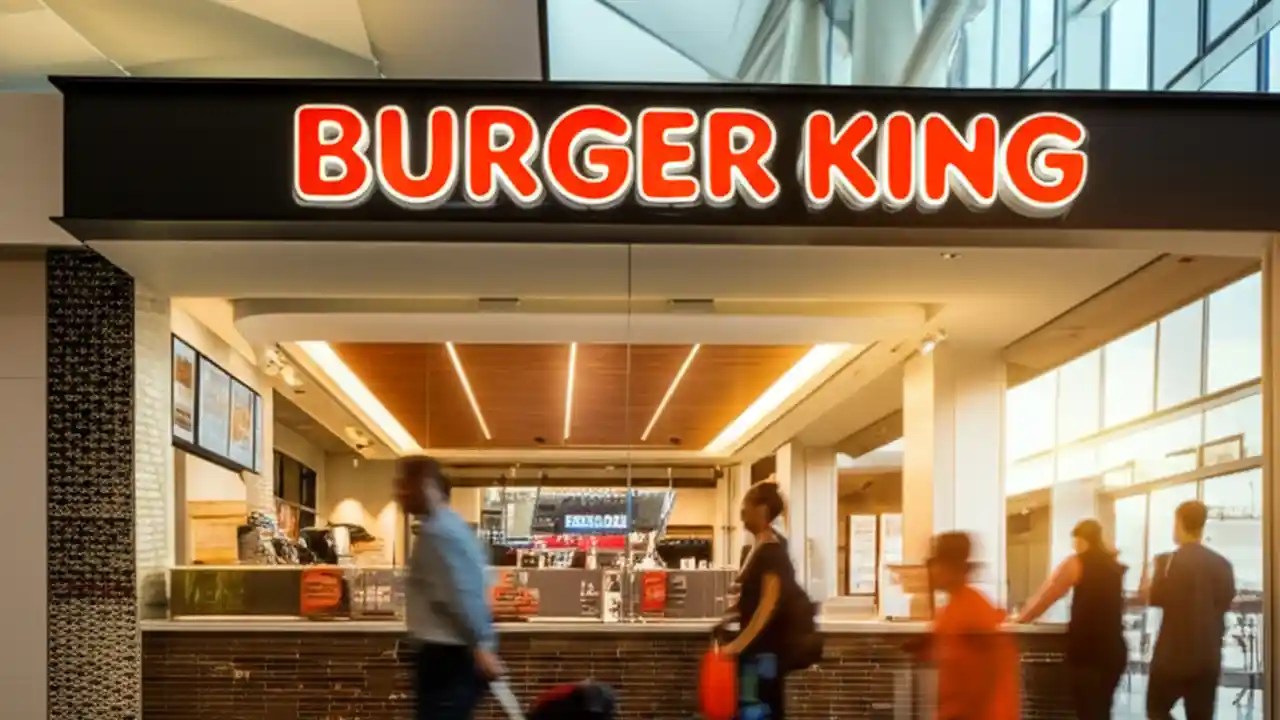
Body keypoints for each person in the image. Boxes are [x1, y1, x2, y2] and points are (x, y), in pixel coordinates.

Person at [395, 455, 502, 720]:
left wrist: (480, 643)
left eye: (406, 484)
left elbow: (462, 594)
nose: (399, 493)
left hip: (448, 659)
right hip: (449, 657)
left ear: (428, 487)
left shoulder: (439, 533)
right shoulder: (449, 527)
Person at [1015, 519, 1127, 719]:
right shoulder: (1114, 566)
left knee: (1087, 712)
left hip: (1088, 653)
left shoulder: (1077, 562)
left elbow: (1048, 595)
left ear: (1081, 540)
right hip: (1114, 651)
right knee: (1101, 711)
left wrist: (1021, 619)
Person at [1144, 500, 1236, 720]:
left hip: (1171, 657)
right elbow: (1225, 602)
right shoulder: (1222, 564)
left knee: (1156, 709)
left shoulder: (1167, 562)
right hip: (1207, 656)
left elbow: (1154, 598)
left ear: (1179, 523)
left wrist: (1150, 576)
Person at [719, 481, 794, 720]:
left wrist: (738, 645)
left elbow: (767, 606)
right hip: (755, 652)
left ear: (762, 510)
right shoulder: (755, 548)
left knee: (757, 711)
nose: (741, 513)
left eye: (746, 506)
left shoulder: (773, 551)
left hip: (763, 653)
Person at [926, 532, 1020, 720]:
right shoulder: (953, 609)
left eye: (935, 563)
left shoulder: (973, 613)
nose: (930, 571)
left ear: (951, 568)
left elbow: (986, 677)